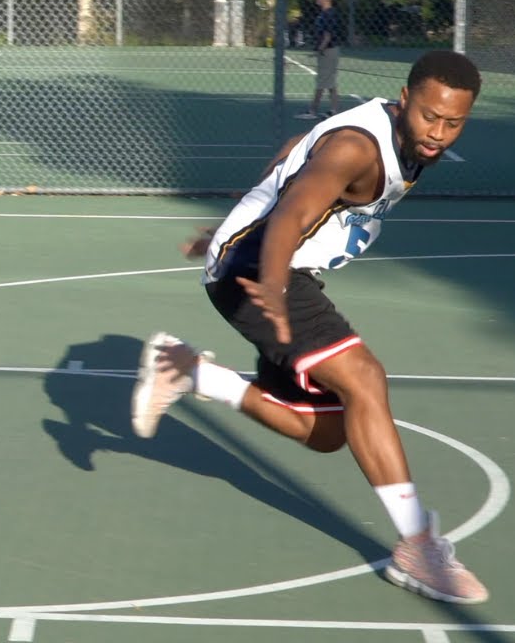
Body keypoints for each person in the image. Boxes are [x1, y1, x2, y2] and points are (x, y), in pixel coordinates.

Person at [132, 50, 489, 604]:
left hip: (260, 261)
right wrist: (270, 282)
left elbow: (289, 158)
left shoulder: (405, 139)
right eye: (429, 117)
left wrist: (233, 221)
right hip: (262, 272)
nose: (438, 133)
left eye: (453, 123)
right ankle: (416, 545)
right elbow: (293, 212)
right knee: (365, 379)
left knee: (326, 432)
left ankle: (186, 371)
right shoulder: (358, 148)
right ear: (403, 100)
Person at [296, 0, 346, 121]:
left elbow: (327, 36)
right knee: (330, 83)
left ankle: (312, 110)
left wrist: (320, 50)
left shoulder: (329, 14)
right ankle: (334, 110)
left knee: (322, 82)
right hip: (326, 51)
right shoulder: (323, 14)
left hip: (328, 51)